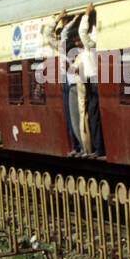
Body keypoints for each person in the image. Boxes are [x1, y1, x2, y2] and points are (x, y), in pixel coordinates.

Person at [75, 3, 105, 158]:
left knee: (94, 115)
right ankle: (96, 147)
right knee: (93, 114)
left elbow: (81, 32)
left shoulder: (92, 42)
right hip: (91, 79)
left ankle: (99, 149)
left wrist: (86, 14)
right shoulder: (92, 40)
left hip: (94, 79)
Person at [55, 10, 83, 156]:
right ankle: (76, 146)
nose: (59, 39)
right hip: (64, 81)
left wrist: (74, 19)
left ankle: (80, 146)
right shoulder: (60, 49)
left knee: (76, 116)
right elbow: (49, 33)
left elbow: (65, 31)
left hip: (71, 81)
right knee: (69, 117)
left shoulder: (71, 49)